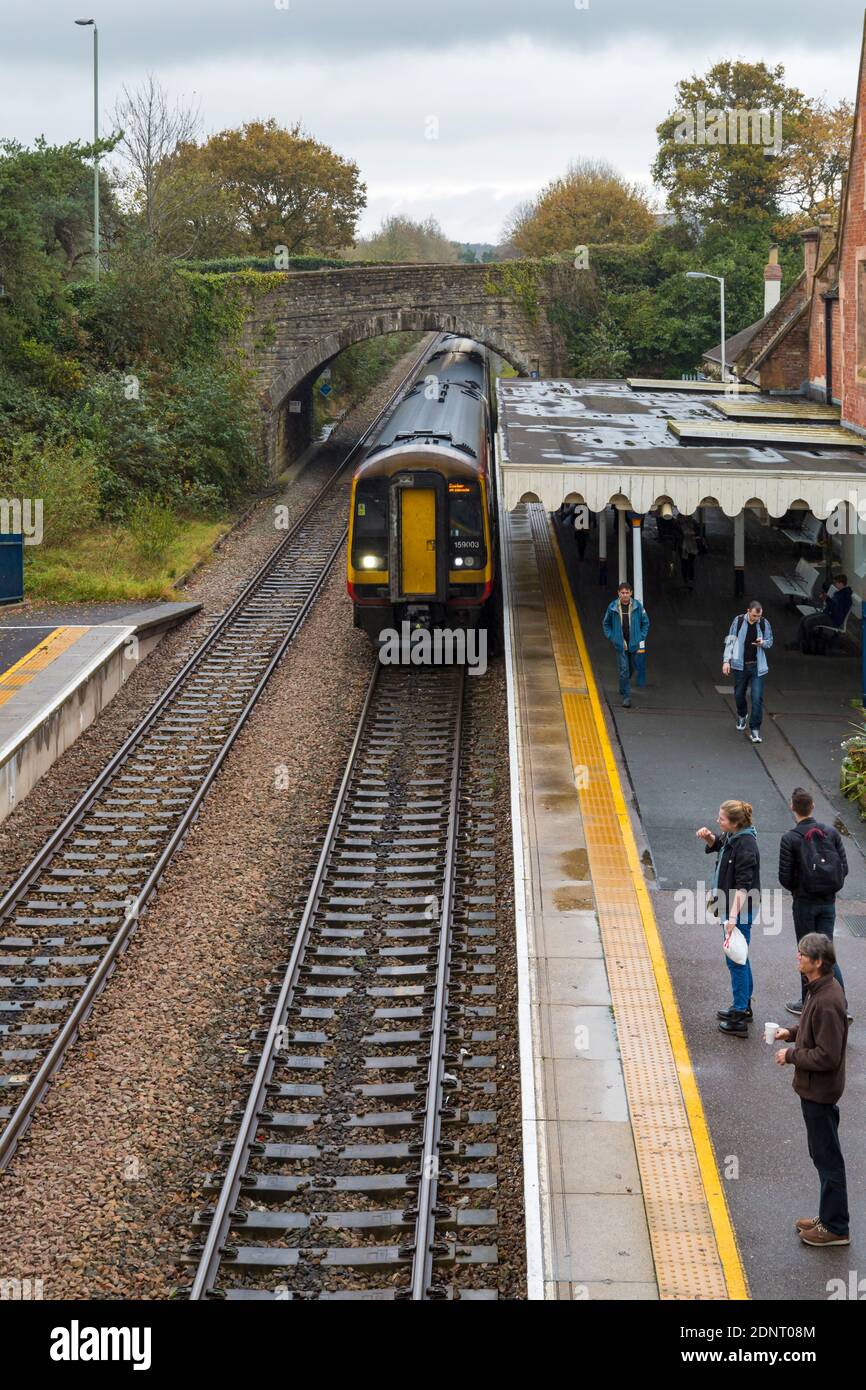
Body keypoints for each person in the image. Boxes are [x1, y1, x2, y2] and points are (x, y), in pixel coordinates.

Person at [773, 932, 850, 1247]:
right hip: (814, 1090)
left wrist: (790, 1055)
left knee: (828, 1158)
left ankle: (835, 1227)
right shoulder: (820, 990)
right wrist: (789, 1033)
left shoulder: (828, 999)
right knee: (822, 1155)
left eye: (803, 954)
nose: (798, 957)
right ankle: (827, 1216)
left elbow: (827, 1055)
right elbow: (810, 1027)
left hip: (820, 1091)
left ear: (818, 962)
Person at [778, 788, 850, 1020]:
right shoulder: (831, 833)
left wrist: (799, 890)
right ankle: (841, 1005)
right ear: (812, 806)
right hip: (828, 901)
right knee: (826, 954)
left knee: (807, 953)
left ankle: (806, 1002)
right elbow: (844, 868)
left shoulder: (790, 838)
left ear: (792, 807)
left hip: (804, 902)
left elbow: (785, 877)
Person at [696, 799, 760, 1037]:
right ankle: (744, 1007)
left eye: (721, 819)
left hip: (738, 909)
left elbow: (743, 886)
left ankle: (739, 1016)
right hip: (730, 906)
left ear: (734, 823)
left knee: (736, 960)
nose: (717, 821)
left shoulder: (746, 845)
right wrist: (709, 839)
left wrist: (732, 918)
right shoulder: (733, 836)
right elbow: (719, 845)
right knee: (741, 955)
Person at [722, 600, 773, 745]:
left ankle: (755, 729)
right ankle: (742, 714)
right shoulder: (738, 621)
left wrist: (762, 642)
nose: (757, 619)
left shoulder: (764, 623)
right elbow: (730, 640)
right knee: (739, 694)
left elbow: (770, 641)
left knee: (757, 697)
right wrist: (726, 661)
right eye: (755, 616)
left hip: (758, 666)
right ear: (748, 611)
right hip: (740, 665)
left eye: (759, 616)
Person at [602, 581, 649, 709]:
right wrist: (613, 637)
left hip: (633, 643)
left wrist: (641, 637)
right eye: (622, 593)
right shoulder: (612, 607)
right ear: (618, 593)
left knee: (631, 668)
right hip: (620, 644)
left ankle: (623, 685)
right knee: (624, 669)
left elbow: (646, 623)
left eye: (627, 593)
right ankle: (626, 697)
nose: (625, 595)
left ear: (631, 593)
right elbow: (606, 624)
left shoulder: (638, 607)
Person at [794, 574, 852, 654]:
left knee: (808, 622)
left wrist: (827, 599)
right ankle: (800, 643)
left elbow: (837, 610)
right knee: (804, 619)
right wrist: (827, 599)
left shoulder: (844, 596)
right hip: (828, 614)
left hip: (833, 619)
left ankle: (809, 647)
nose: (834, 585)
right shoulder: (840, 593)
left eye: (836, 583)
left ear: (841, 583)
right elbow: (834, 606)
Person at [679, 519, 699, 590]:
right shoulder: (693, 522)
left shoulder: (679, 522)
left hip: (687, 547)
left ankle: (687, 580)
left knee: (686, 564)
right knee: (688, 564)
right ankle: (689, 580)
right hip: (689, 547)